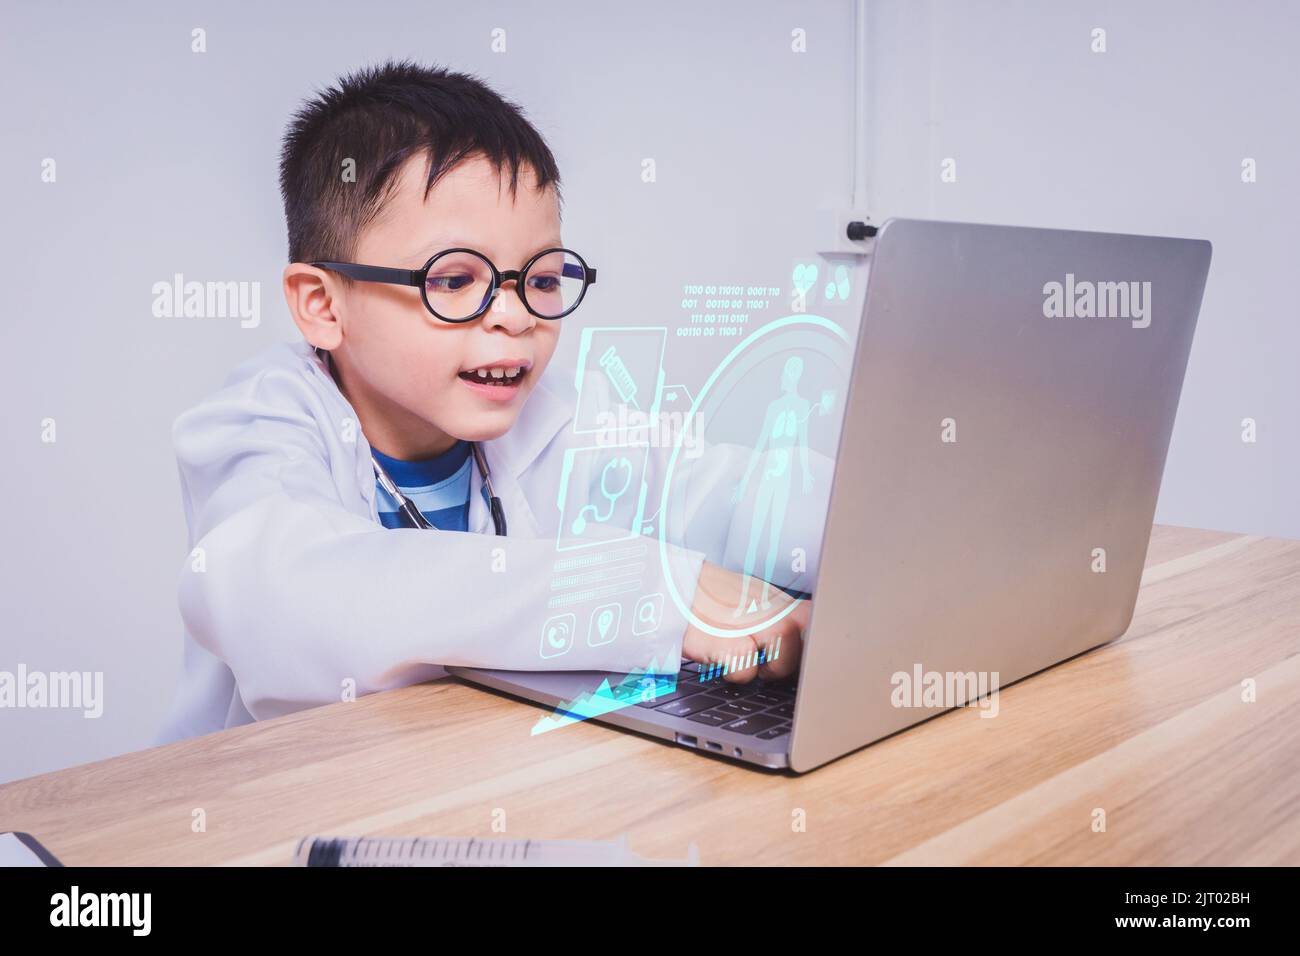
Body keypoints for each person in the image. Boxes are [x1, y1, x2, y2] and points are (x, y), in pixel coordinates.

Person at [158, 61, 829, 742]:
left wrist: (880, 522)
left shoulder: (560, 418)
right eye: (453, 279)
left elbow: (732, 494)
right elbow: (295, 601)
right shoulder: (257, 427)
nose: (513, 315)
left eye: (540, 277)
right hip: (282, 811)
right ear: (322, 305)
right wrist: (633, 591)